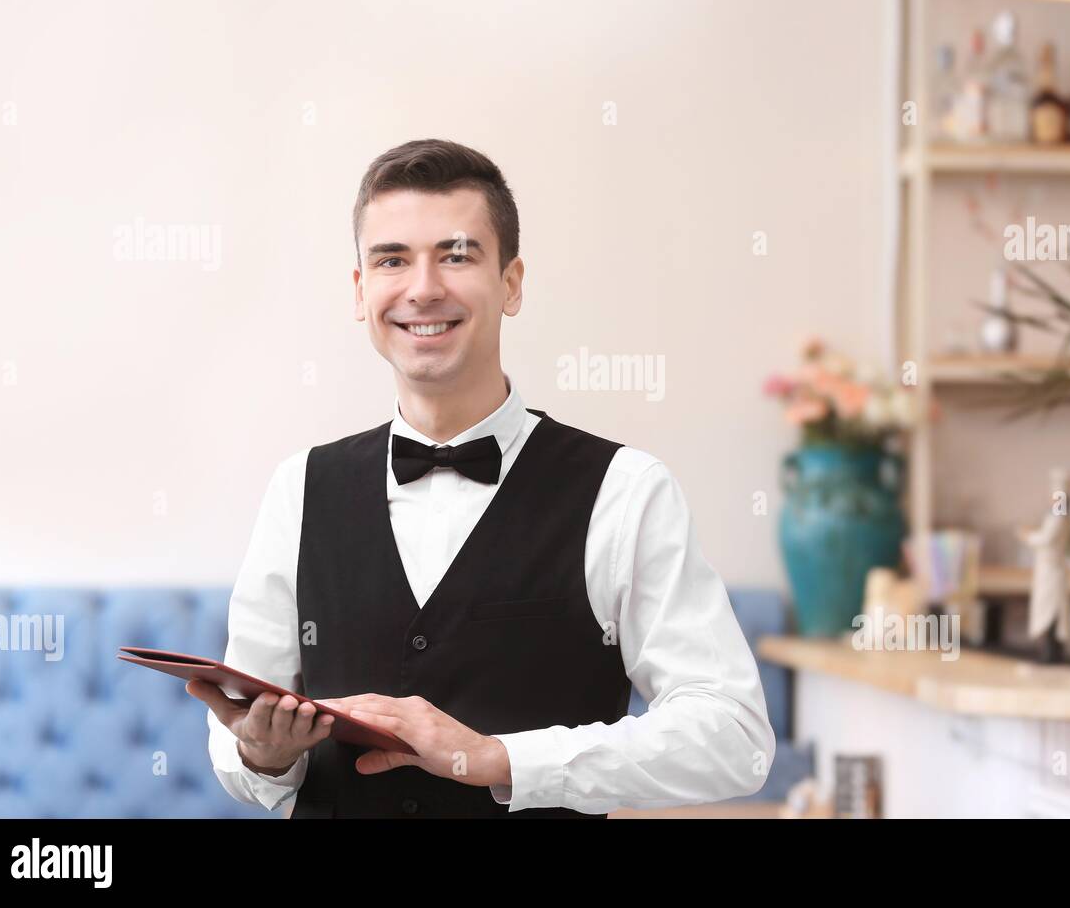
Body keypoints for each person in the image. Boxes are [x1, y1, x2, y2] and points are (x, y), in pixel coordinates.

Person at [188, 138, 775, 818]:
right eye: (392, 260)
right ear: (361, 291)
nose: (422, 288)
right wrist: (262, 752)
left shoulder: (625, 490)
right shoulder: (298, 489)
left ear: (511, 283)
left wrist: (500, 759)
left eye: (457, 255)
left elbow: (734, 735)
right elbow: (242, 754)